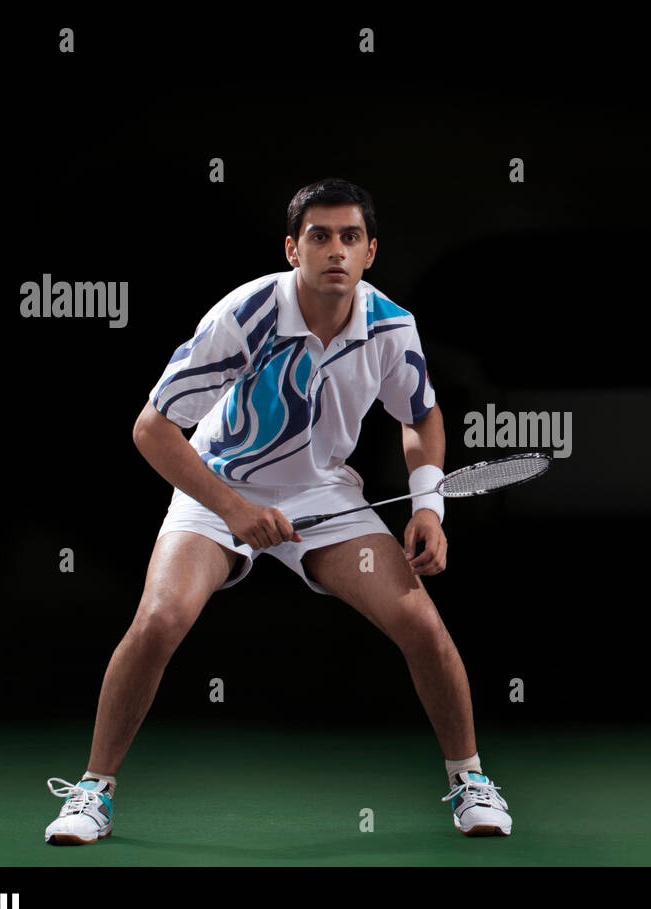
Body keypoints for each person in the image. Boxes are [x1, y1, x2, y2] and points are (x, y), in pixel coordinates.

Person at [43, 178, 511, 844]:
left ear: (371, 250)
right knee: (158, 621)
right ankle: (93, 791)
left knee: (419, 623)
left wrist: (429, 504)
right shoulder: (246, 314)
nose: (335, 251)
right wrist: (234, 509)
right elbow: (152, 429)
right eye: (319, 236)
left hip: (325, 494)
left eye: (351, 237)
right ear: (294, 248)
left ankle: (470, 781)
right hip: (220, 483)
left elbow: (421, 415)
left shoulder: (390, 325)